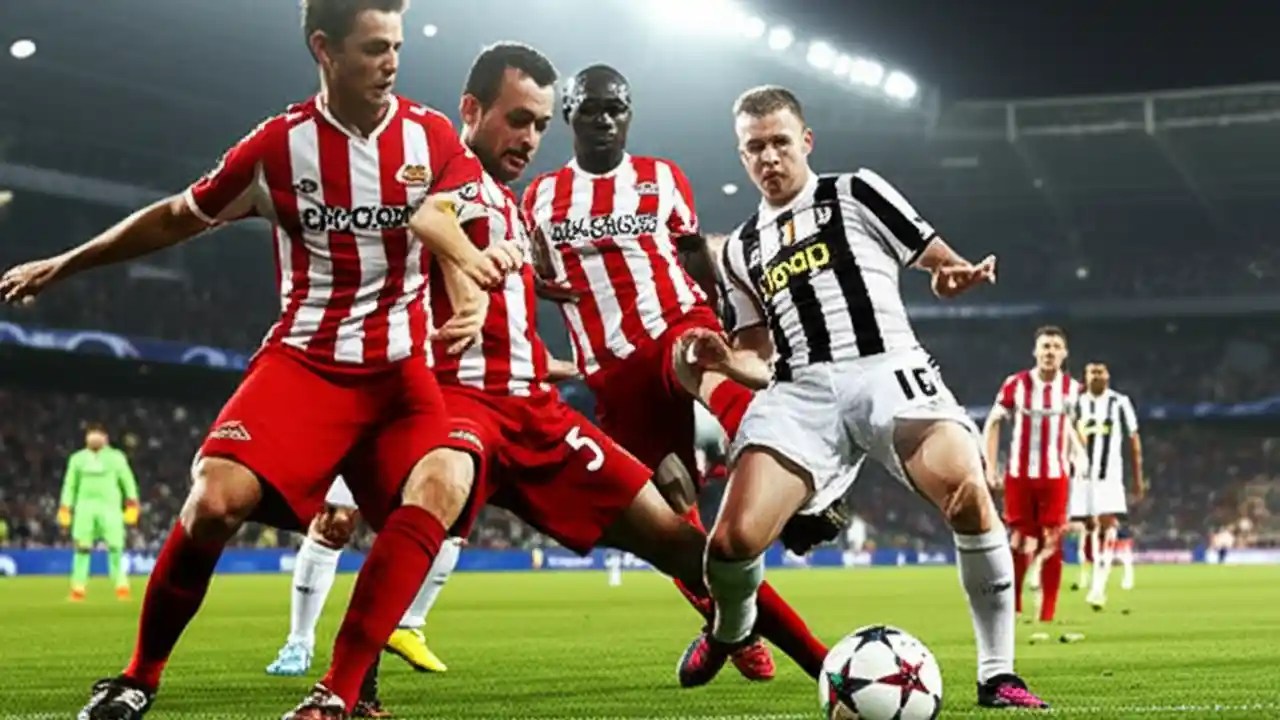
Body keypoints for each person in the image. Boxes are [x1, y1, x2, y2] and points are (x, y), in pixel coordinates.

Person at [0, 2, 512, 717]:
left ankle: (340, 690)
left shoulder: (430, 137)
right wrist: (66, 262)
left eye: (396, 46)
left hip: (401, 374)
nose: (391, 62)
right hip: (306, 364)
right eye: (373, 49)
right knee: (213, 501)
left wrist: (471, 299)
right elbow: (177, 216)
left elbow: (451, 226)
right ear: (323, 49)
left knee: (441, 486)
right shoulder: (279, 147)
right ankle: (139, 676)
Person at [286, 44, 826, 719]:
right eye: (520, 120)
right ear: (471, 112)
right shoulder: (437, 184)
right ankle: (337, 691)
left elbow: (525, 318)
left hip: (542, 409)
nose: (530, 138)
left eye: (538, 124)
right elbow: (415, 233)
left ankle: (827, 668)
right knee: (439, 488)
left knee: (683, 537)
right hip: (464, 406)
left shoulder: (519, 207)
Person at [674, 84, 1048, 709]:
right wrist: (721, 359)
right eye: (754, 148)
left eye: (780, 143)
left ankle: (998, 673)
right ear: (742, 156)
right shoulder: (738, 249)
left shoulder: (855, 191)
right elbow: (757, 354)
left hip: (886, 367)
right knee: (732, 543)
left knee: (966, 487)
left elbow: (937, 259)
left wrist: (954, 273)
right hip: (798, 393)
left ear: (806, 142)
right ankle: (732, 629)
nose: (769, 158)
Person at [522, 63, 829, 681]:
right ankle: (730, 627)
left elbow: (691, 254)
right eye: (591, 108)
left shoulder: (662, 179)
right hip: (610, 369)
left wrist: (730, 320)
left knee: (706, 363)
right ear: (569, 116)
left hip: (674, 326)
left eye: (617, 108)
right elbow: (527, 278)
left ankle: (808, 495)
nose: (605, 119)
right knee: (674, 513)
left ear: (629, 113)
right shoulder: (541, 198)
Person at [265, 476, 462, 677]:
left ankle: (407, 626)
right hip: (353, 445)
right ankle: (299, 642)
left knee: (442, 517)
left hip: (415, 446)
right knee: (334, 523)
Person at [984, 327, 1086, 626]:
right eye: (1045, 346)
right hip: (1020, 477)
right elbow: (992, 423)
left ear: (1064, 354)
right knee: (1018, 540)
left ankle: (1047, 612)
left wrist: (1080, 461)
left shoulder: (1073, 389)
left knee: (1053, 539)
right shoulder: (1015, 384)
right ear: (1035, 351)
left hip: (1056, 478)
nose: (1050, 352)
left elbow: (1080, 430)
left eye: (1056, 347)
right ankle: (1012, 605)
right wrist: (991, 467)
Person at [1068, 362, 1144, 610]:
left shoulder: (1120, 403)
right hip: (1082, 477)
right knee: (1089, 527)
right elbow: (1064, 437)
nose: (1097, 376)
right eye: (1092, 372)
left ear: (1108, 376)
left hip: (1109, 476)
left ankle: (1099, 586)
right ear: (1085, 376)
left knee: (1107, 523)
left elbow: (1134, 440)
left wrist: (1138, 478)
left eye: (1101, 372)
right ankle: (1092, 576)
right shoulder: (1076, 403)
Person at [58, 423, 140, 601]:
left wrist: (132, 503)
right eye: (91, 434)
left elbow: (127, 480)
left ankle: (121, 587)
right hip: (84, 508)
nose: (94, 437)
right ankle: (78, 589)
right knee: (82, 549)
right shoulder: (77, 459)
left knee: (116, 548)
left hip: (110, 507)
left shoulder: (116, 458)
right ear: (86, 437)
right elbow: (70, 484)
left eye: (98, 434)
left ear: (105, 437)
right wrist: (65, 506)